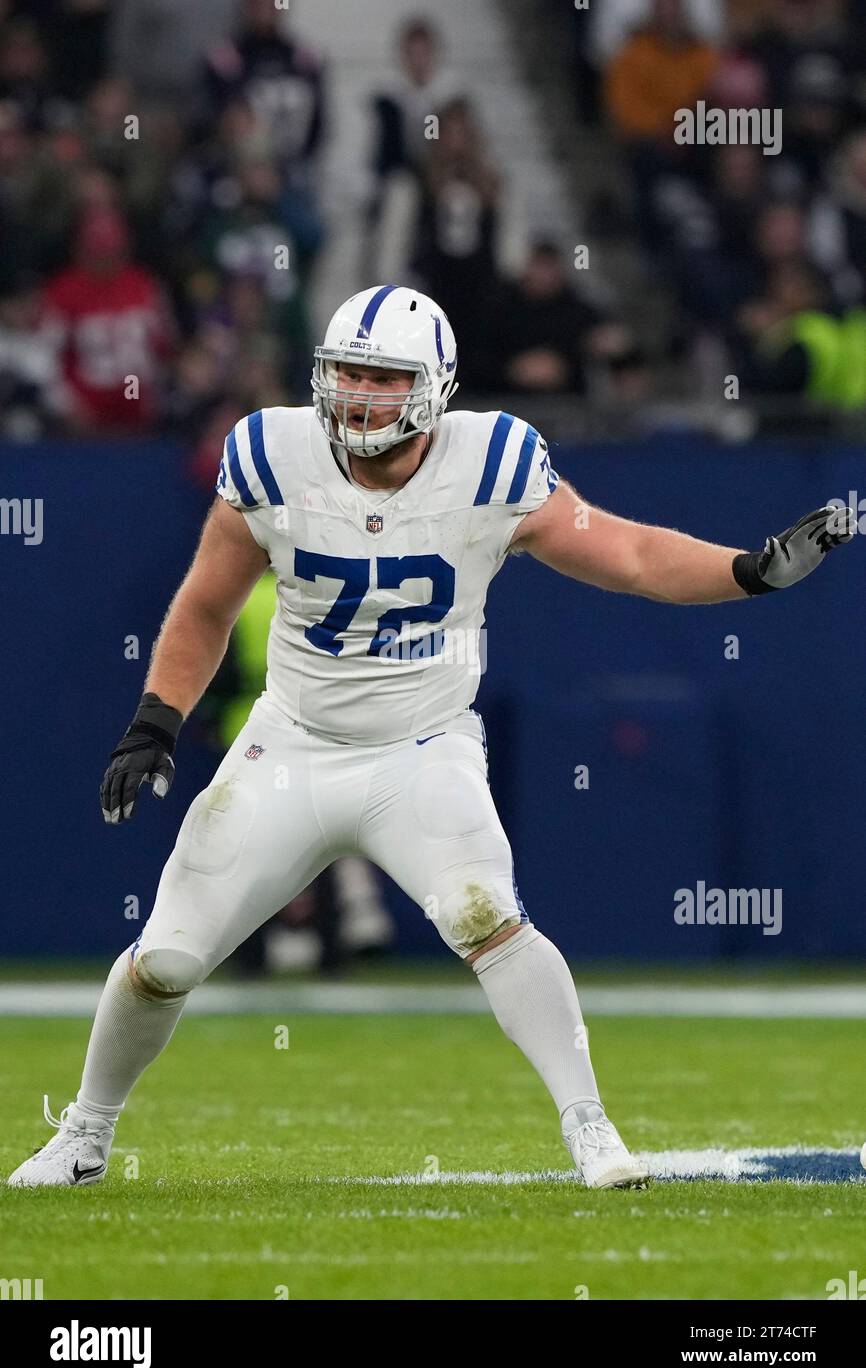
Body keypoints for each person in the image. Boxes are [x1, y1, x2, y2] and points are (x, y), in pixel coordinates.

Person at [7, 284, 855, 1192]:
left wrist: (749, 572)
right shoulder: (271, 453)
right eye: (346, 374)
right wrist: (156, 720)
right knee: (167, 955)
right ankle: (84, 1136)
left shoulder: (492, 464)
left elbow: (633, 556)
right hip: (291, 746)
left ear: (434, 387)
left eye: (383, 377)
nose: (360, 396)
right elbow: (208, 602)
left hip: (422, 748)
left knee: (487, 914)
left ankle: (591, 1128)